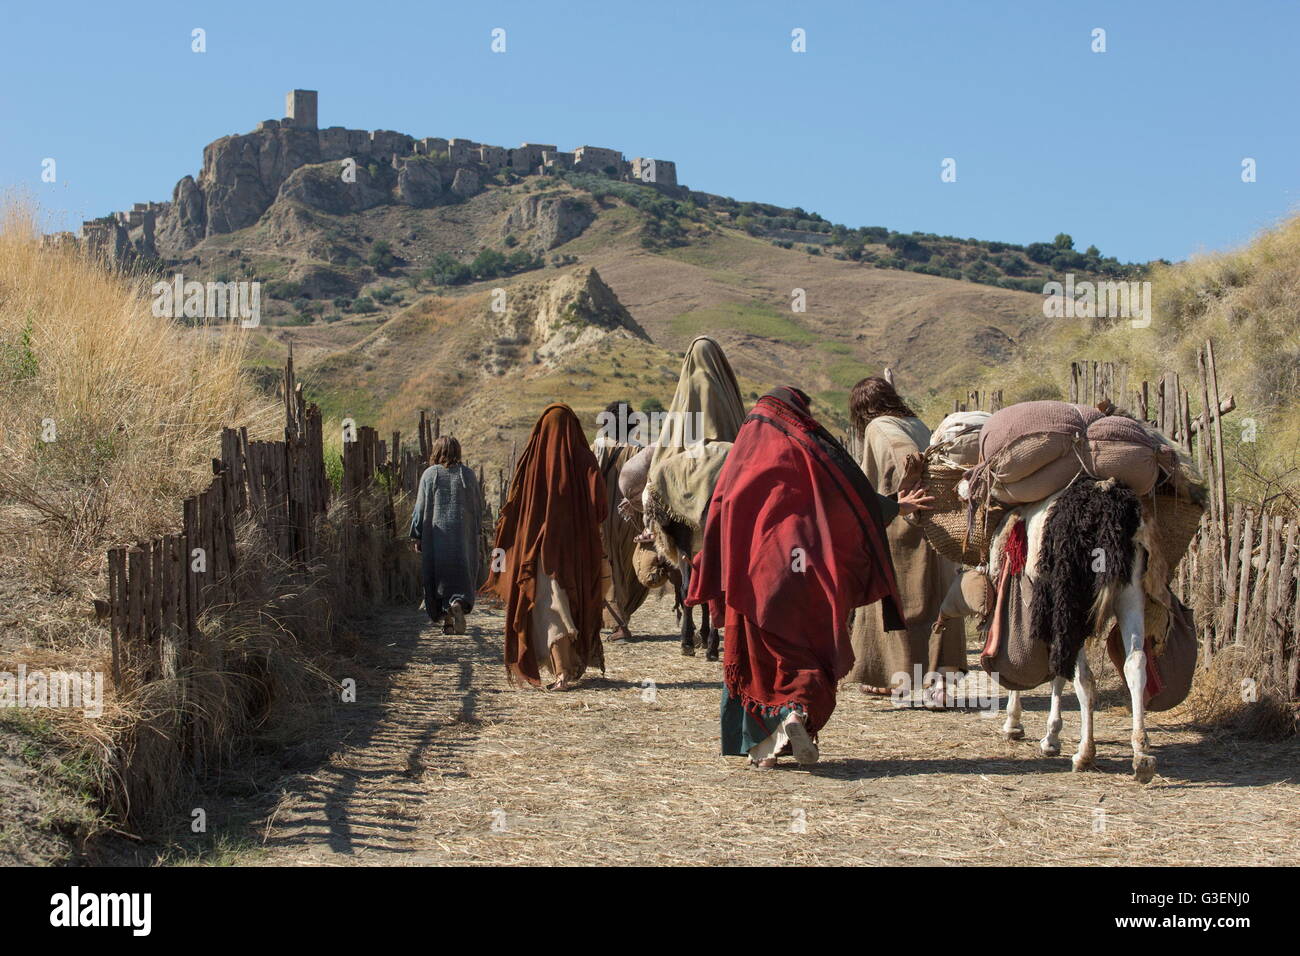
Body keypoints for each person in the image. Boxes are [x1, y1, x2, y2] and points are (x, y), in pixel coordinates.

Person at [688, 387, 933, 769]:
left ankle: (763, 750)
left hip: (754, 581)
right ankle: (797, 713)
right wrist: (896, 506)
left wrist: (714, 570)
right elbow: (852, 501)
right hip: (808, 573)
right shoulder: (813, 452)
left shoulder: (740, 460)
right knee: (806, 654)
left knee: (758, 662)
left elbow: (716, 518)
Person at [844, 376, 966, 707]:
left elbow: (902, 453)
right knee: (936, 599)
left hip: (901, 521)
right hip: (936, 520)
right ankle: (937, 681)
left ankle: (894, 680)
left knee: (896, 602)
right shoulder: (916, 422)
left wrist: (905, 489)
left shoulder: (879, 426)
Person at [488, 404, 608, 690]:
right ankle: (564, 669)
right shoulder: (583, 458)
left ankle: (562, 670)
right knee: (564, 602)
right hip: (576, 551)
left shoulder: (530, 460)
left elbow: (513, 507)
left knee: (549, 603)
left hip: (537, 549)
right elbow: (600, 506)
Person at [643, 336, 746, 560]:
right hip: (726, 487)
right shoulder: (725, 387)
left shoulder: (687, 386)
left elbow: (670, 444)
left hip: (684, 488)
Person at [409, 436, 483, 635]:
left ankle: (447, 620)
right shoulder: (468, 475)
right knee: (460, 577)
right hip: (462, 538)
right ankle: (457, 604)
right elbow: (477, 509)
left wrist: (416, 534)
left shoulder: (429, 474)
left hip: (436, 537)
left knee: (438, 577)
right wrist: (475, 534)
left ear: (436, 451)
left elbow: (420, 508)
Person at [592, 401, 649, 642]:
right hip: (632, 515)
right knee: (628, 567)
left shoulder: (598, 447)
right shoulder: (640, 449)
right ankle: (620, 618)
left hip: (604, 516)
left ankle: (620, 624)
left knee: (610, 567)